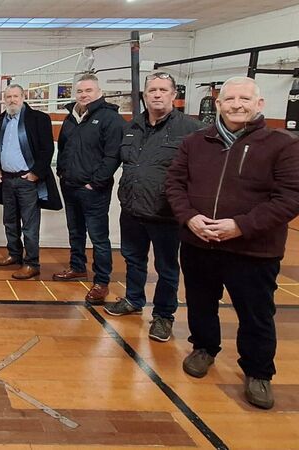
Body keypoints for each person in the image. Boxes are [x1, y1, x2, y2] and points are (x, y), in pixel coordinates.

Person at [165, 76, 299, 410]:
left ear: (260, 104)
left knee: (255, 315)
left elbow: (289, 198)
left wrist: (240, 226)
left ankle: (258, 372)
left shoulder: (282, 145)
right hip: (199, 243)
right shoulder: (195, 142)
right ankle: (204, 348)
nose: (237, 104)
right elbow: (175, 185)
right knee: (199, 303)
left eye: (244, 98)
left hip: (253, 250)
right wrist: (190, 218)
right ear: (218, 104)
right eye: (230, 99)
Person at [102, 72, 203, 342]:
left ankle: (163, 316)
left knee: (166, 267)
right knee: (133, 259)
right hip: (132, 209)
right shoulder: (133, 125)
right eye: (152, 90)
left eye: (162, 90)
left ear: (173, 95)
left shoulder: (191, 130)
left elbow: (200, 173)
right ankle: (134, 300)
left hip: (166, 213)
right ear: (144, 95)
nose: (157, 94)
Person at [53, 74, 124, 304]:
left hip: (94, 189)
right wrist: (62, 173)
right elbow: (63, 148)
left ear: (99, 92)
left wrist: (95, 182)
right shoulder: (71, 118)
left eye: (88, 91)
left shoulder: (110, 118)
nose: (84, 95)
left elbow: (113, 155)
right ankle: (77, 267)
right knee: (75, 231)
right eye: (80, 91)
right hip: (70, 185)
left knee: (98, 236)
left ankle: (102, 281)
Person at [0, 84, 62, 279]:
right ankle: (14, 254)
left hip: (27, 181)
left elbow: (47, 149)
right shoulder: (1, 121)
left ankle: (32, 263)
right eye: (8, 97)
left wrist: (35, 174)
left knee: (29, 225)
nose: (12, 100)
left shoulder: (38, 119)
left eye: (15, 96)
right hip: (7, 180)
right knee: (9, 222)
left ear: (23, 97)